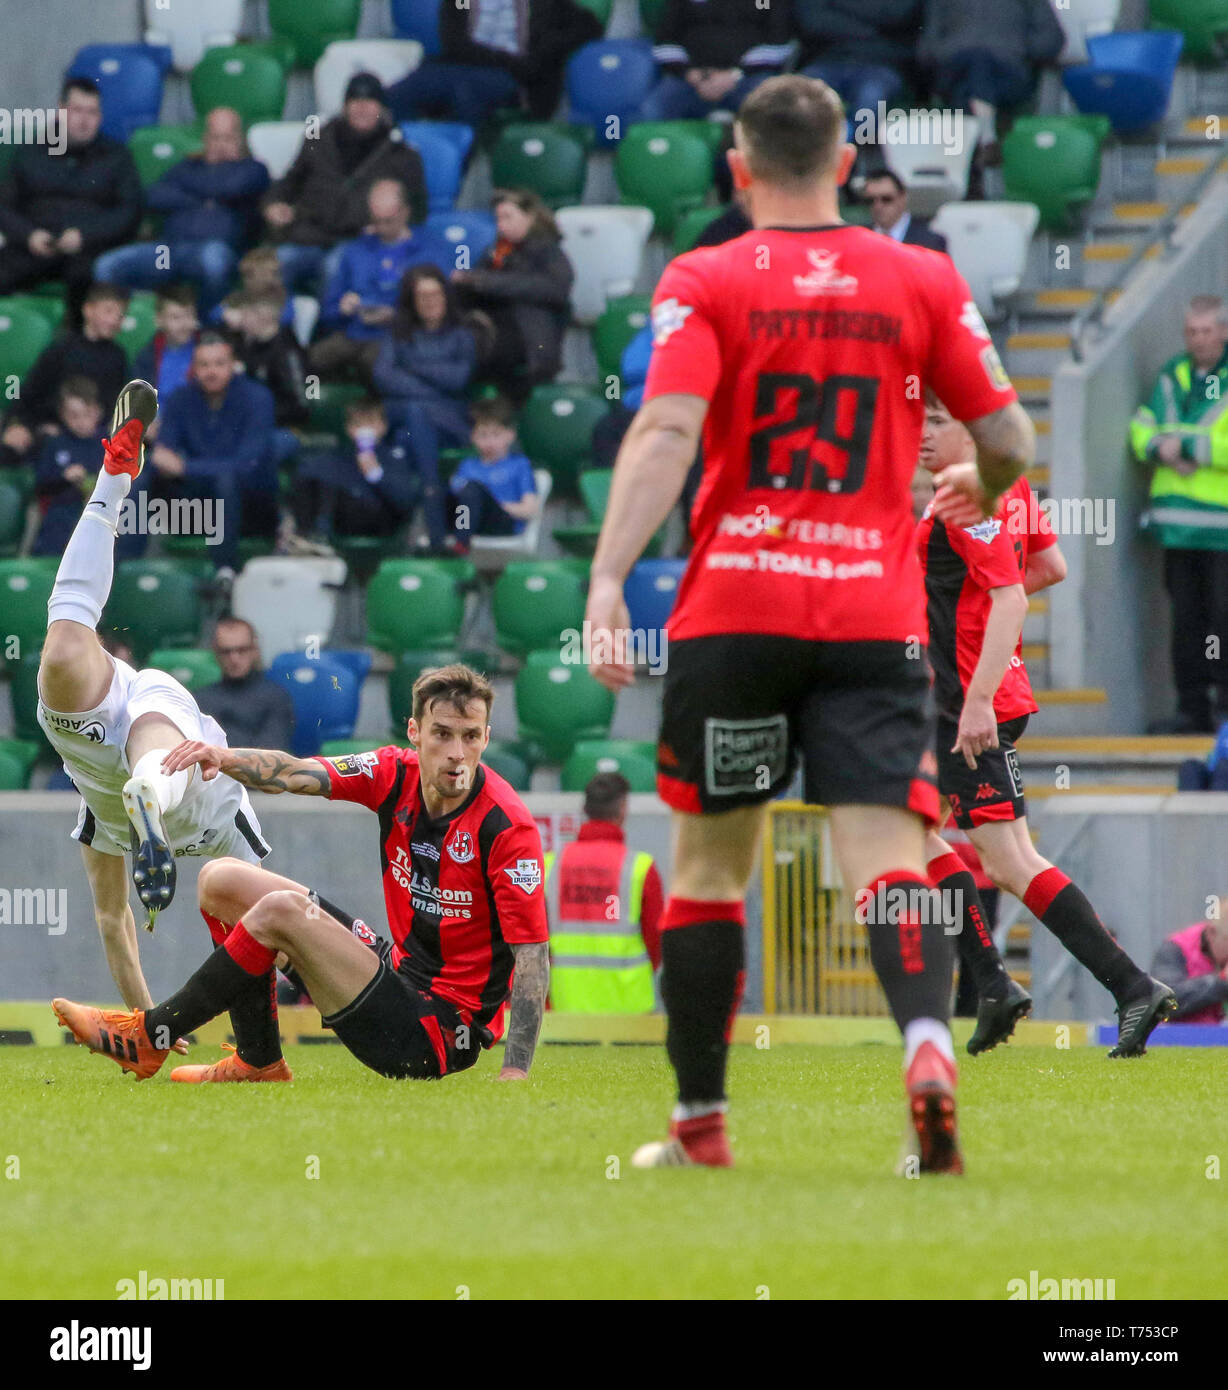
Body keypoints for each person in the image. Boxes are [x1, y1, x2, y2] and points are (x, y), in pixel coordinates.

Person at [584, 73, 1038, 1173]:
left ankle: (700, 1125)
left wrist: (605, 582)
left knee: (706, 869)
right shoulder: (918, 275)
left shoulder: (703, 275)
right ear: (844, 164)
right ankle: (926, 1045)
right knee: (887, 853)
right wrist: (985, 474)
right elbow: (1010, 430)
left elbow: (664, 431)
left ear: (738, 170)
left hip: (736, 606)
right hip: (874, 617)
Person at [54, 664, 552, 1087]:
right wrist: (223, 758)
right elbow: (296, 772)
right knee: (222, 879)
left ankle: (148, 1036)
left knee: (277, 912)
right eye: (442, 734)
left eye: (470, 737)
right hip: (394, 972)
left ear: (486, 737)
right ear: (414, 732)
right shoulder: (392, 772)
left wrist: (515, 1073)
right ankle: (258, 1059)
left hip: (434, 1032)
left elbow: (532, 954)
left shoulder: (505, 825)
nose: (457, 753)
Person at [916, 393, 1177, 1055]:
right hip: (983, 692)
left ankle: (1121, 986)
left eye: (938, 421)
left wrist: (975, 693)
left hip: (967, 703)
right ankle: (1000, 982)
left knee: (1002, 860)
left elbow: (1007, 592)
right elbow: (1048, 567)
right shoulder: (1012, 488)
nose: (922, 432)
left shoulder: (961, 497)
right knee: (913, 830)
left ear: (974, 433)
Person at [35, 379, 275, 1065]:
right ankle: (117, 469)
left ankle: (115, 479)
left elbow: (114, 924)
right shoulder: (235, 829)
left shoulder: (97, 828)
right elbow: (259, 929)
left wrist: (152, 1026)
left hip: (123, 766)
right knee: (80, 666)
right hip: (169, 758)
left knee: (62, 641)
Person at [1129, 295, 1228, 734]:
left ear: (1224, 331)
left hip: (1220, 530)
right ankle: (1193, 709)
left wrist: (1187, 447)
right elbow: (1142, 424)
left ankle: (1223, 709)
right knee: (1186, 622)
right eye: (1192, 331)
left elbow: (1205, 440)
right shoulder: (1173, 374)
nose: (1199, 339)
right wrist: (1155, 446)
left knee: (1221, 622)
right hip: (1176, 528)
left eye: (1207, 331)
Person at [261, 73, 428, 295]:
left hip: (361, 241)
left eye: (370, 102)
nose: (362, 108)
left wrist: (387, 227)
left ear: (383, 109)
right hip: (309, 233)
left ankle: (327, 327)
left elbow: (417, 208)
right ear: (344, 106)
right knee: (275, 265)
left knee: (334, 269)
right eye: (355, 101)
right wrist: (275, 203)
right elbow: (291, 180)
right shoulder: (317, 139)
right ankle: (278, 326)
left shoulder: (402, 154)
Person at [92, 107, 268, 315]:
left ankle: (206, 326)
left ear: (240, 139)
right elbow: (153, 196)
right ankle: (135, 327)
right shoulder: (188, 166)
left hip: (213, 249)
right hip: (168, 251)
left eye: (227, 138)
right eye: (215, 137)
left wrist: (188, 191)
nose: (220, 144)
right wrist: (206, 199)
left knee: (213, 262)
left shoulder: (252, 169)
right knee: (108, 265)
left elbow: (231, 187)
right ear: (205, 138)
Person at [0, 78, 142, 327]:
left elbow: (129, 211)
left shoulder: (117, 157)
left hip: (87, 251)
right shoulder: (31, 151)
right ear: (61, 109)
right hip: (33, 246)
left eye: (92, 112)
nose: (85, 120)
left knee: (91, 280)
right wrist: (29, 236)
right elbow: (4, 207)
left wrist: (85, 236)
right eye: (77, 111)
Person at [150, 333, 278, 578]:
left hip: (250, 503)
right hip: (196, 503)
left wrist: (186, 468)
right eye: (204, 365)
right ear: (194, 368)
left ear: (233, 365)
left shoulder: (258, 398)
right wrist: (169, 462)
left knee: (226, 480)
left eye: (219, 364)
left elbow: (246, 464)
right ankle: (119, 570)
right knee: (142, 476)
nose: (212, 371)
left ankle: (225, 571)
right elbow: (164, 453)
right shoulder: (181, 398)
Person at [371, 265, 478, 550]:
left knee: (412, 424)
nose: (430, 302)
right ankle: (431, 498)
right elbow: (383, 376)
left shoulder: (462, 334)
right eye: (422, 296)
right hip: (409, 416)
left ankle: (426, 512)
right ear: (411, 301)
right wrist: (431, 390)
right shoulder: (397, 333)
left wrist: (412, 365)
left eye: (436, 294)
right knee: (414, 416)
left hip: (449, 421)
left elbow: (458, 379)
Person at [309, 181, 453, 383]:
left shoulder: (431, 250)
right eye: (376, 221)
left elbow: (445, 306)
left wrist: (398, 315)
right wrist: (343, 307)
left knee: (374, 364)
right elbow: (329, 309)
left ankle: (375, 412)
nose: (381, 228)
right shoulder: (354, 251)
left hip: (403, 336)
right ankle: (313, 405)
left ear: (405, 213)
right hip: (356, 331)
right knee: (311, 362)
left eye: (388, 221)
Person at [545, 772, 664, 1013]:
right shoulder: (640, 867)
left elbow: (532, 940)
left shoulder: (550, 865)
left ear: (586, 809)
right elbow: (657, 939)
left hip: (566, 1006)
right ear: (623, 808)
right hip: (630, 1008)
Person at [385, 0, 603, 124]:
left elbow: (589, 25)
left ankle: (451, 164)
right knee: (397, 92)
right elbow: (454, 43)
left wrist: (547, 50)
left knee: (465, 92)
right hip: (466, 66)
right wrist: (508, 60)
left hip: (513, 79)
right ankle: (398, 155)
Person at [452, 189, 573, 402]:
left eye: (508, 217)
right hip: (496, 339)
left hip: (530, 346)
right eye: (498, 218)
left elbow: (555, 289)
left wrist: (487, 282)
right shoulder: (497, 253)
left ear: (530, 217)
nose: (501, 225)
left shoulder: (548, 251)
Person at [918, 0, 1065, 166]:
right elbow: (927, 45)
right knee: (977, 59)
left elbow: (1053, 38)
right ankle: (987, 141)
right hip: (957, 68)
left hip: (1005, 75)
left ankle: (972, 168)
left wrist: (1019, 49)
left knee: (969, 86)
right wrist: (951, 50)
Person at [2, 282, 129, 457]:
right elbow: (29, 394)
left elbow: (114, 407)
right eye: (108, 311)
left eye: (120, 315)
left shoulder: (118, 357)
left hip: (91, 437)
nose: (115, 319)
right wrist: (17, 424)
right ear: (88, 310)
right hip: (47, 430)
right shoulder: (61, 349)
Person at [31, 377, 146, 561]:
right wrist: (64, 477)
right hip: (64, 512)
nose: (81, 422)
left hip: (104, 513)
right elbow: (40, 485)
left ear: (98, 412)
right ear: (62, 414)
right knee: (59, 520)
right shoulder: (55, 444)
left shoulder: (111, 443)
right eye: (74, 416)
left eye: (86, 414)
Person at [291, 397, 418, 546]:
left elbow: (405, 500)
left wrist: (376, 475)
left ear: (383, 426)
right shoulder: (341, 456)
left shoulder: (394, 457)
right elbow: (306, 473)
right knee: (314, 481)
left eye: (370, 423)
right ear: (349, 429)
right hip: (345, 520)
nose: (365, 429)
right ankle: (308, 540)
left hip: (381, 520)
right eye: (358, 424)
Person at [795, 0, 926, 142]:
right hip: (827, 59)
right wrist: (874, 30)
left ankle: (848, 154)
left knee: (870, 102)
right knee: (800, 98)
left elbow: (897, 14)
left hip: (882, 63)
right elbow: (814, 20)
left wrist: (840, 7)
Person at [643, 0, 794, 120]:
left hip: (749, 78)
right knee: (652, 111)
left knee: (771, 113)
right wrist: (689, 73)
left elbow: (779, 43)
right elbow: (664, 40)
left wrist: (735, 75)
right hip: (690, 79)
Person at [195, 617, 296, 754]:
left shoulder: (276, 698)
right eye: (226, 652)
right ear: (216, 653)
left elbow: (271, 754)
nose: (234, 659)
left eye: (241, 650)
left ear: (254, 650)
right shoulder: (200, 700)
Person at [448, 397, 538, 549]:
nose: (490, 442)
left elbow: (529, 509)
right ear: (473, 437)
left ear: (510, 435)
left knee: (472, 489)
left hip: (501, 523)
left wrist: (492, 504)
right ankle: (437, 545)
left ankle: (460, 545)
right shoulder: (467, 466)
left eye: (496, 435)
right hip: (469, 520)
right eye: (483, 435)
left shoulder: (519, 465)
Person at [227, 289, 309, 431]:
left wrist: (256, 416)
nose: (240, 319)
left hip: (281, 427)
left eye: (245, 313)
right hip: (251, 423)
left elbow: (301, 404)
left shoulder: (289, 352)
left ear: (263, 316)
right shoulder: (249, 344)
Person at [1149, 905, 1228, 1024]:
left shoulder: (1218, 947)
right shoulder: (1176, 949)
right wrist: (1221, 981)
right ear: (1211, 933)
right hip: (1179, 1036)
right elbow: (1164, 1002)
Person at [131, 285, 200, 400]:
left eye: (189, 315)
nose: (184, 324)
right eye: (175, 317)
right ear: (159, 320)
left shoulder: (207, 350)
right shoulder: (147, 357)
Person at [862, 170, 948, 251]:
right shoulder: (860, 239)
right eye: (870, 200)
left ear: (903, 198)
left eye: (886, 199)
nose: (878, 206)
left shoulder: (930, 242)